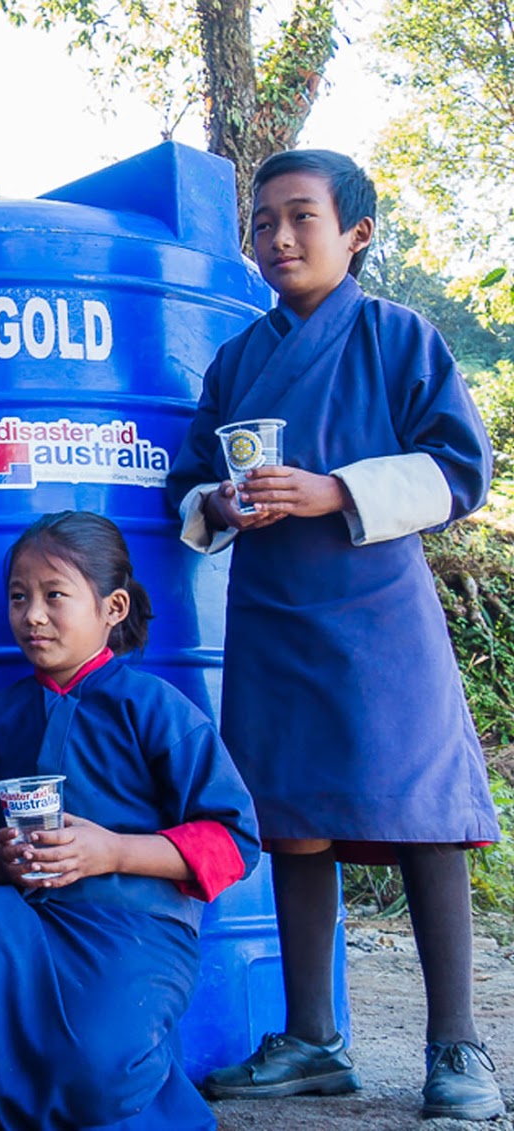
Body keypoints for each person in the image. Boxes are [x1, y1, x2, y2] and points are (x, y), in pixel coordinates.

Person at [166, 149, 502, 1120]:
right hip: (271, 612)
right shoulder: (237, 359)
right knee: (292, 823)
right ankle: (313, 1039)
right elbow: (183, 485)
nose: (276, 238)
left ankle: (457, 1050)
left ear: (355, 234)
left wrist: (334, 489)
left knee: (425, 816)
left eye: (300, 217)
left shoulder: (399, 339)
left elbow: (457, 470)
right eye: (263, 221)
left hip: (378, 611)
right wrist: (219, 504)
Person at [0, 512, 260, 1130]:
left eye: (55, 595)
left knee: (95, 1071)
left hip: (130, 926)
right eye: (19, 597)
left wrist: (111, 851)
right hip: (16, 923)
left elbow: (235, 841)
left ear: (112, 607)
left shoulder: (156, 708)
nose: (32, 615)